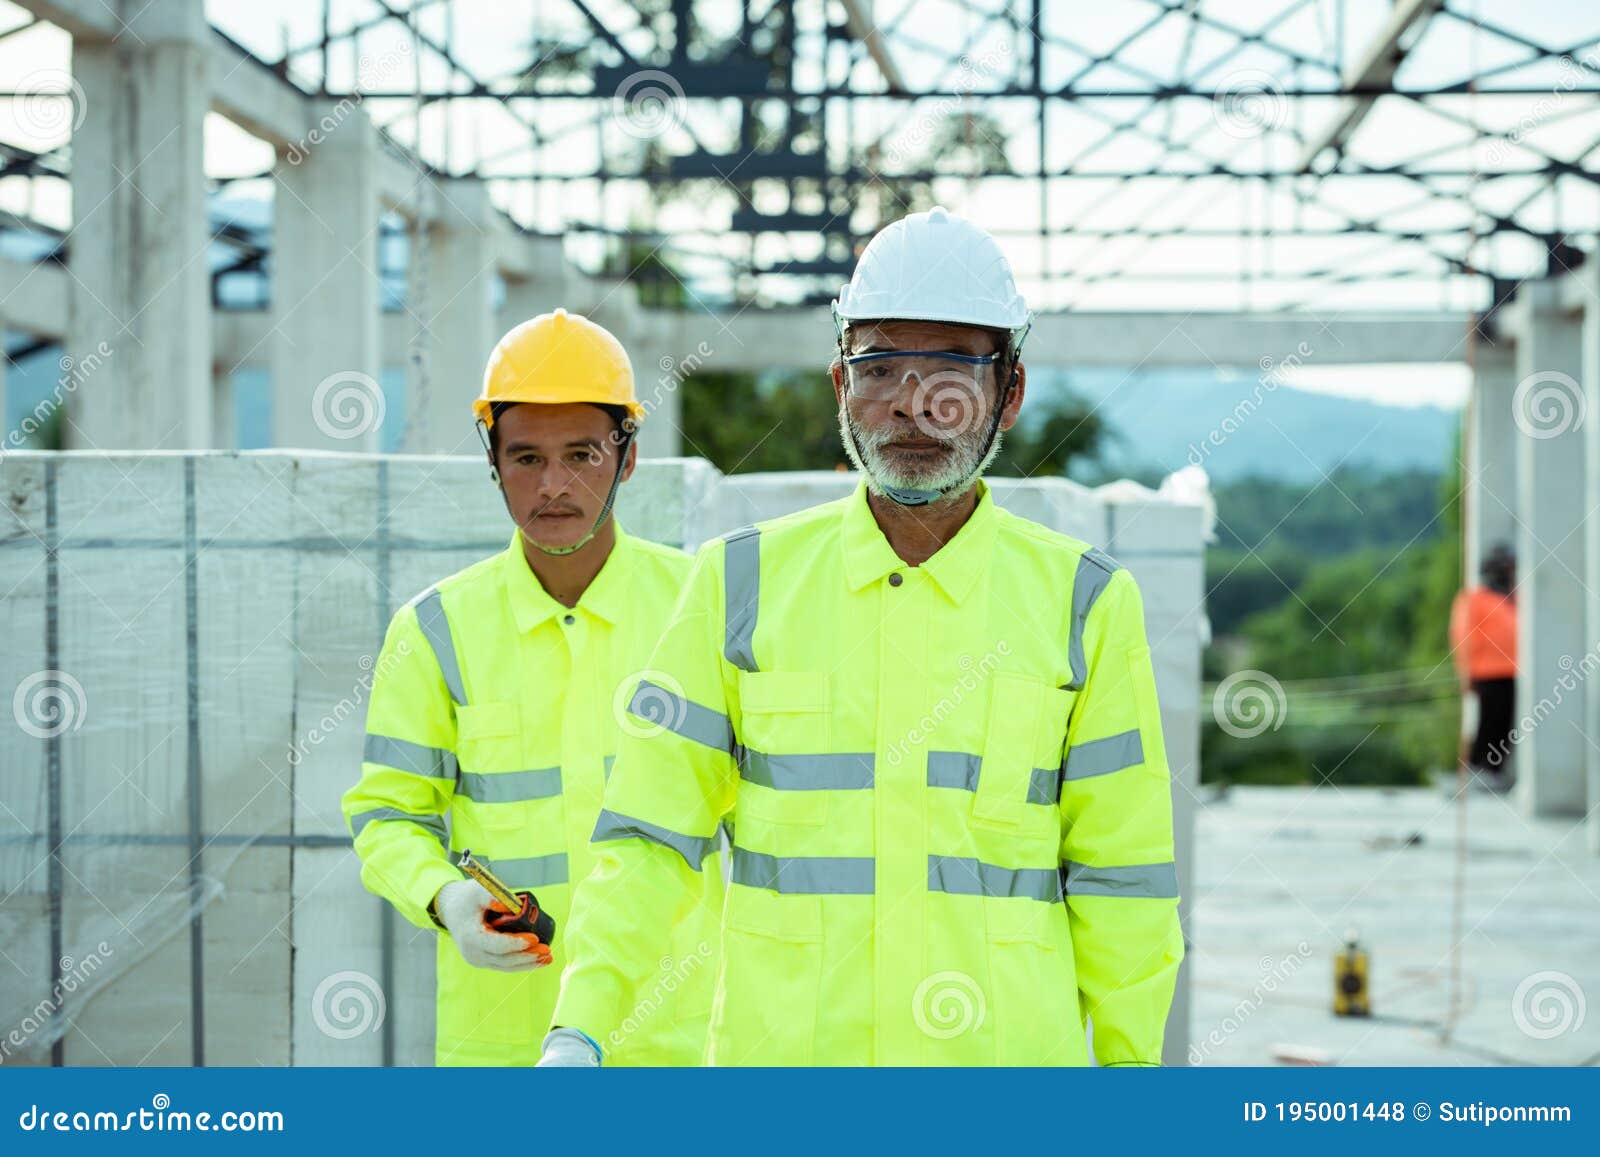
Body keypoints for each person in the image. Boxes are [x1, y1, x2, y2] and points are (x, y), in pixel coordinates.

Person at [539, 207, 1184, 1067]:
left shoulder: (1085, 603)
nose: (914, 406)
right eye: (882, 367)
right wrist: (580, 1022)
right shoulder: (740, 584)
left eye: (952, 368)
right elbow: (651, 838)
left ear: (1010, 392)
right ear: (841, 387)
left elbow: (1125, 883)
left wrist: (1133, 1080)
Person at [342, 309, 721, 1066]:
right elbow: (387, 814)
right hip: (502, 1046)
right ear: (492, 459)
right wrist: (445, 897)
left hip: (673, 1040)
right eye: (525, 458)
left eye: (582, 454)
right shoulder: (435, 630)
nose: (553, 486)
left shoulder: (702, 610)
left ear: (629, 456)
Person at [1450, 543, 1518, 791]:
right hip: (1486, 672)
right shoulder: (1474, 599)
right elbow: (1463, 637)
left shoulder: (1512, 601)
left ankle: (1493, 771)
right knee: (1489, 722)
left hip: (1510, 672)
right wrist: (1465, 672)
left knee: (1504, 723)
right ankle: (1480, 769)